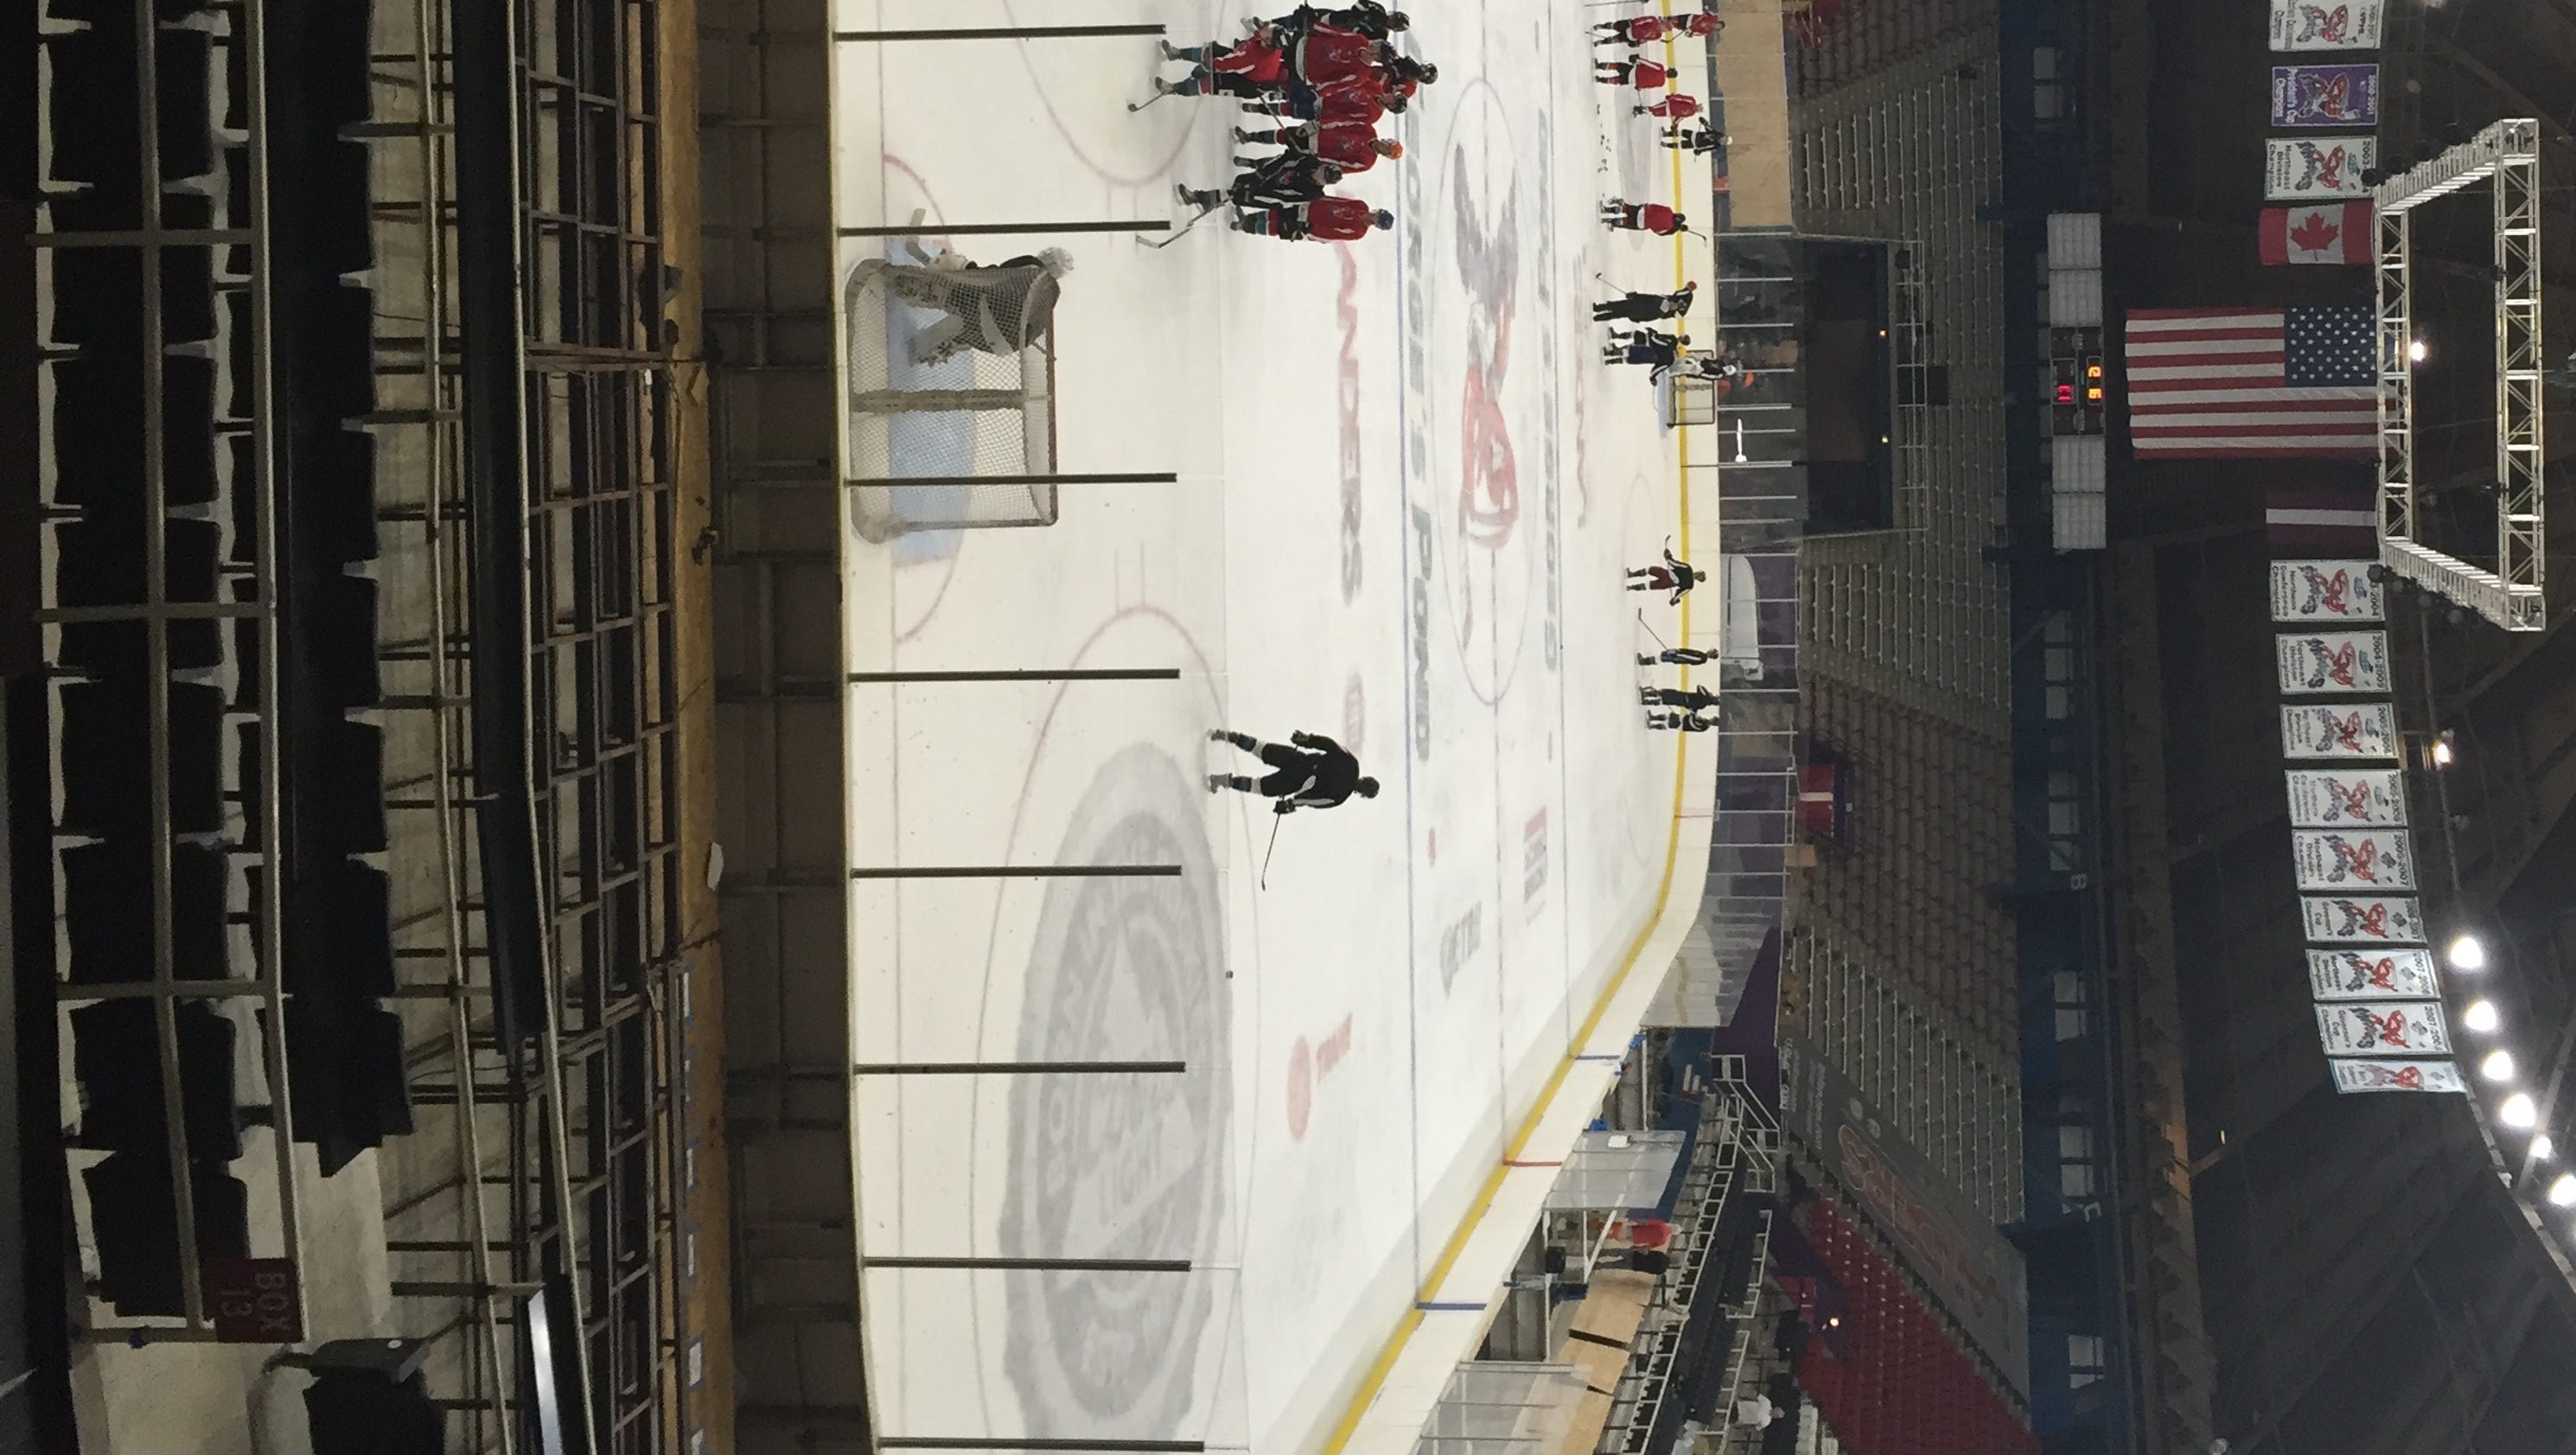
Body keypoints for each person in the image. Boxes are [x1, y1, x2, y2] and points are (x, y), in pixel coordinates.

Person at [1208, 728, 1379, 812]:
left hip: (1300, 760)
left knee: (1261, 749)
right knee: (1258, 786)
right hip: (1294, 782)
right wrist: (1290, 804)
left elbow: (1330, 744)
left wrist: (1307, 740)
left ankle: (1226, 735)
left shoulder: (1351, 763)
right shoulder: (1340, 797)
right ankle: (1222, 780)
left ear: (1365, 779)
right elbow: (1311, 800)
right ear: (1363, 794)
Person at [1178, 154, 1345, 214]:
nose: (1319, 173)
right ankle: (1214, 201)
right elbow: (1284, 160)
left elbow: (1283, 199)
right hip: (1270, 177)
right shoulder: (1309, 162)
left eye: (1323, 177)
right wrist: (1261, 174)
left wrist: (1257, 194)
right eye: (1323, 170)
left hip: (1271, 196)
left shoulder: (1312, 193)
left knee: (1239, 194)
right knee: (1240, 182)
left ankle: (1200, 198)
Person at [1234, 121, 1403, 173]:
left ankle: (1252, 163)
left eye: (1388, 151)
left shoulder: (1367, 162)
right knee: (1283, 135)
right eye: (1389, 145)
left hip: (1317, 153)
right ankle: (1250, 137)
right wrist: (1317, 125)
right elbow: (1341, 123)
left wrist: (1318, 160)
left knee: (1283, 161)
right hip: (1316, 135)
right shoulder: (1368, 130)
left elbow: (1342, 167)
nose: (1385, 147)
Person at [1275, 1, 1409, 41]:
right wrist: (1360, 16)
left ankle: (1277, 39)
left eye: (1394, 21)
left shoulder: (1381, 36)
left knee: (1302, 36)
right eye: (1394, 16)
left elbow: (1361, 42)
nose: (1391, 18)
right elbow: (1357, 6)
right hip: (1334, 17)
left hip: (1333, 34)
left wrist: (1357, 29)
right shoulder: (1379, 9)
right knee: (1301, 17)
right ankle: (1271, 25)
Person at [1594, 12, 1722, 44]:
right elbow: (1707, 12)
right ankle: (1604, 26)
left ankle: (1604, 41)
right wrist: (1706, 12)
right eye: (1718, 24)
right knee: (1617, 26)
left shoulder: (1708, 31)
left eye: (1718, 27)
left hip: (1687, 26)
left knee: (1619, 38)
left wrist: (1690, 33)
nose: (1716, 26)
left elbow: (1696, 34)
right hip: (1688, 18)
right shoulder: (1711, 18)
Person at [1593, 282, 1694, 322]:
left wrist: (1635, 296)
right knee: (1616, 313)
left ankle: (1598, 309)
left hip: (1635, 306)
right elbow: (1648, 317)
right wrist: (1637, 319)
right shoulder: (1661, 312)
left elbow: (1646, 298)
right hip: (1635, 311)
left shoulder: (1661, 301)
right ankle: (1598, 316)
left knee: (1615, 307)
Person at [1628, 547, 1702, 601]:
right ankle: (1631, 587)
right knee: (1649, 585)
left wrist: (1668, 557)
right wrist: (1674, 600)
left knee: (1649, 570)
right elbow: (1680, 594)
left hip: (1666, 574)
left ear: (1697, 572)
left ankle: (1631, 575)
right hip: (1667, 583)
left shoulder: (1688, 569)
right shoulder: (1690, 586)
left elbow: (1675, 564)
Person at [1604, 328, 1686, 368]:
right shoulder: (1669, 357)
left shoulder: (1671, 343)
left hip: (1648, 344)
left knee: (1632, 342)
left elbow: (1659, 340)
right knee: (1630, 350)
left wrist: (1653, 334)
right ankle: (1612, 356)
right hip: (1648, 352)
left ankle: (1614, 347)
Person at [1601, 198, 1686, 235]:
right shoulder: (1669, 227)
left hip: (1642, 212)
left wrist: (1646, 207)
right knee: (1627, 222)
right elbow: (1657, 232)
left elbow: (1655, 207)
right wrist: (1676, 228)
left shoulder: (1668, 211)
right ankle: (1615, 222)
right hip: (1642, 224)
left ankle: (1608, 210)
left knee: (1626, 209)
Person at [1595, 56, 1668, 89]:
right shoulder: (1661, 83)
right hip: (1634, 81)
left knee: (1617, 66)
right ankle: (1600, 80)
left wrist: (1638, 59)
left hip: (1634, 71)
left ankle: (1599, 66)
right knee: (1618, 80)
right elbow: (1650, 86)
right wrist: (1640, 87)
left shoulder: (1660, 68)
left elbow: (1648, 63)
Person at [1640, 686, 1720, 713]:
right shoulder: (1703, 706)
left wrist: (1707, 693)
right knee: (1664, 701)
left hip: (1683, 695)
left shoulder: (1705, 695)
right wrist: (1687, 705)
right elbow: (1692, 710)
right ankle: (1647, 702)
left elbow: (1699, 686)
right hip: (1681, 702)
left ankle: (1646, 694)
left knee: (1664, 693)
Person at [1636, 92, 1702, 121]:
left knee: (1655, 113)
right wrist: (1671, 97)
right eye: (1700, 108)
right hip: (1669, 105)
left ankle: (1642, 110)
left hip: (1669, 113)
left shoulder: (1692, 113)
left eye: (1700, 110)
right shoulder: (1692, 101)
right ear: (1699, 105)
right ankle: (1639, 109)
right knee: (1654, 109)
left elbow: (1681, 116)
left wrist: (1675, 124)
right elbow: (1681, 98)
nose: (1699, 110)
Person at [1661, 126, 1730, 154]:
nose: (1724, 139)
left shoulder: (1716, 146)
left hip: (1695, 143)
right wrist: (1705, 124)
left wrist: (1700, 151)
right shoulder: (1718, 134)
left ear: (1725, 144)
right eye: (1725, 138)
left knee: (1680, 145)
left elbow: (1707, 149)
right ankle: (1666, 134)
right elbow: (1711, 130)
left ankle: (1666, 145)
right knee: (1681, 132)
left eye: (1725, 141)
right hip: (1695, 134)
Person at [1647, 706, 1719, 732]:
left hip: (1683, 724)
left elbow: (1693, 724)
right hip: (1683, 718)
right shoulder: (1705, 720)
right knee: (1667, 716)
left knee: (1667, 724)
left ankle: (1652, 726)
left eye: (1713, 719)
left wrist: (1692, 716)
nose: (1712, 718)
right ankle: (1652, 717)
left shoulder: (1704, 727)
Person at [1635, 647, 1714, 667]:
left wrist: (1678, 653)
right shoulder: (1703, 656)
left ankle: (1644, 661)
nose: (1709, 650)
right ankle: (1645, 661)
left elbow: (1689, 657)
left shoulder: (1702, 658)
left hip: (1679, 657)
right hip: (1679, 656)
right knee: (1662, 657)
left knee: (1661, 658)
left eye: (1711, 651)